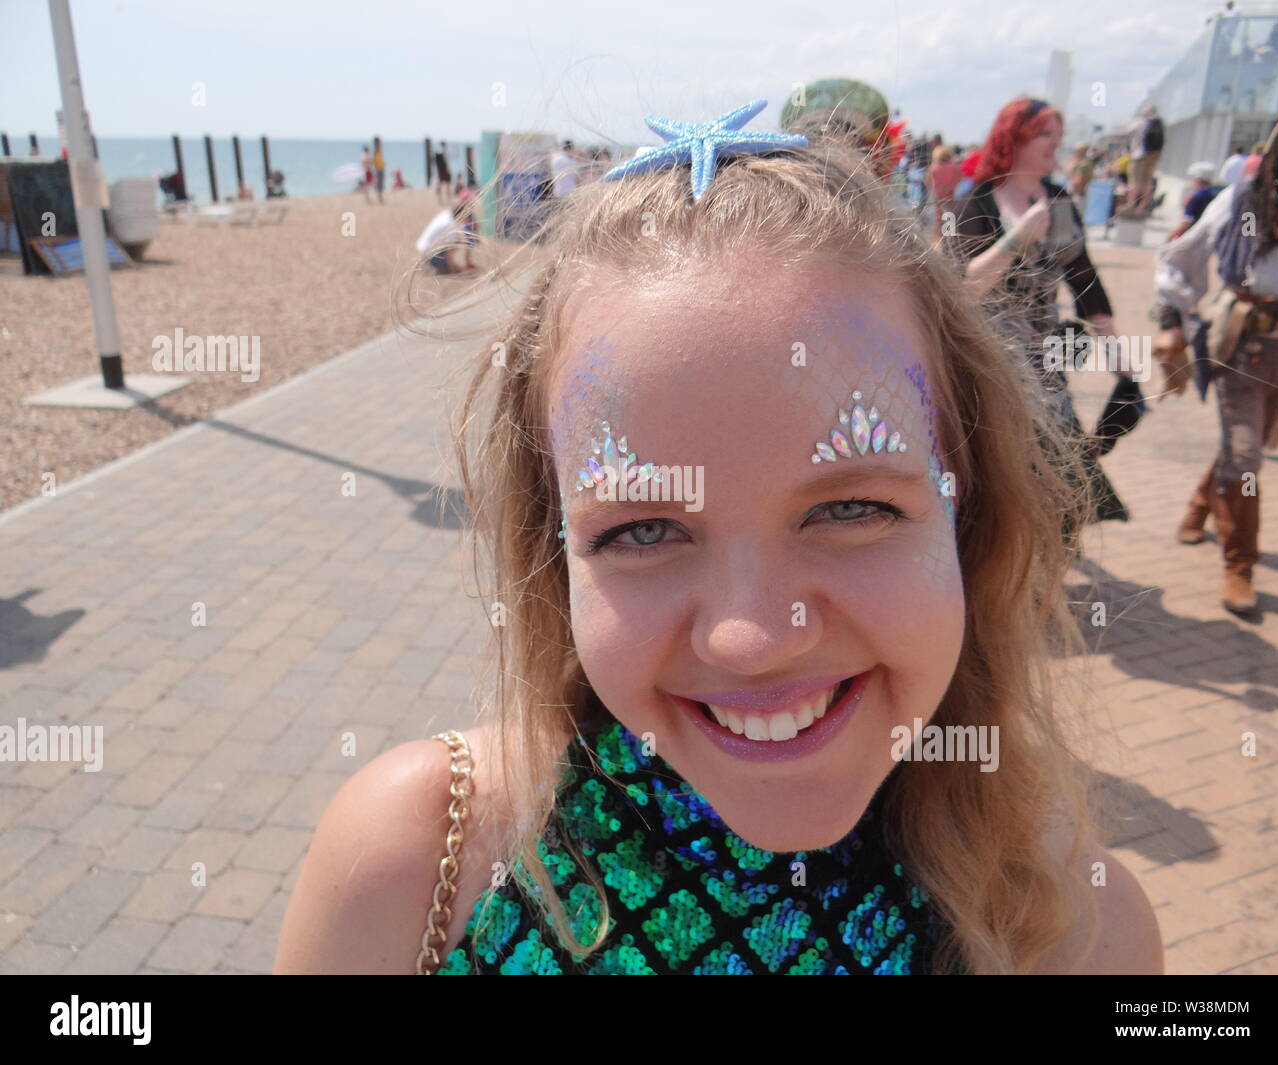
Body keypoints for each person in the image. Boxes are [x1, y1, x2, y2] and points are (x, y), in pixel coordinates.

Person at [276, 107, 1161, 976]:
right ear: (555, 550)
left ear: (965, 511)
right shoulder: (420, 861)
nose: (753, 637)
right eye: (645, 528)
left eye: (852, 509)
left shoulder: (1080, 932)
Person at [949, 96, 1130, 530]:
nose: (1056, 145)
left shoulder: (1059, 201)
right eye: (1045, 135)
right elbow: (964, 287)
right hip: (990, 360)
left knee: (1059, 463)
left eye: (1059, 136)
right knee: (1000, 469)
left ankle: (1050, 552)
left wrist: (1118, 352)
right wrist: (1018, 237)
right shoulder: (976, 200)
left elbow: (1085, 279)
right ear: (1014, 137)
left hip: (1045, 358)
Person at [1156, 102, 1278, 614]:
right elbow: (1178, 257)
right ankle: (1240, 565)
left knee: (1249, 443)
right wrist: (1174, 320)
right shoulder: (1242, 199)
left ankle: (1199, 507)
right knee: (1246, 455)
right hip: (1243, 344)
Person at [1166, 162, 1222, 241]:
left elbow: (1188, 220)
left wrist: (1172, 234)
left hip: (1188, 237)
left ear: (1197, 179)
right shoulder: (1213, 195)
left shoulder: (1197, 196)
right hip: (1203, 238)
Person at [1125, 105, 1163, 212]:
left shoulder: (1140, 121)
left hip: (1138, 155)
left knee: (1135, 180)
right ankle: (1144, 203)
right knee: (1147, 180)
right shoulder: (1157, 122)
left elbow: (1128, 133)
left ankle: (1131, 203)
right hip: (1153, 155)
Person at [925, 144, 962, 238]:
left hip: (938, 196)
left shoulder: (934, 167)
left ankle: (939, 239)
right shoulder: (954, 167)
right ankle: (950, 237)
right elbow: (961, 178)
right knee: (950, 216)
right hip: (950, 195)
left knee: (939, 219)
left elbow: (927, 182)